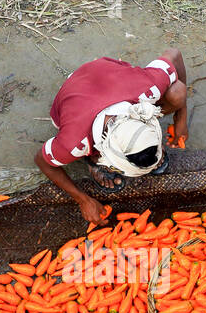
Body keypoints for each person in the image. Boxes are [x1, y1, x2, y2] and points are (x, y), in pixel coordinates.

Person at [34, 49, 189, 225]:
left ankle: (142, 147)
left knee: (177, 93)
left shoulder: (148, 87)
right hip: (73, 92)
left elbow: (174, 55)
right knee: (83, 146)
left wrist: (180, 119)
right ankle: (93, 159)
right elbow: (41, 160)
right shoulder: (74, 143)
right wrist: (83, 200)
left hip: (109, 72)